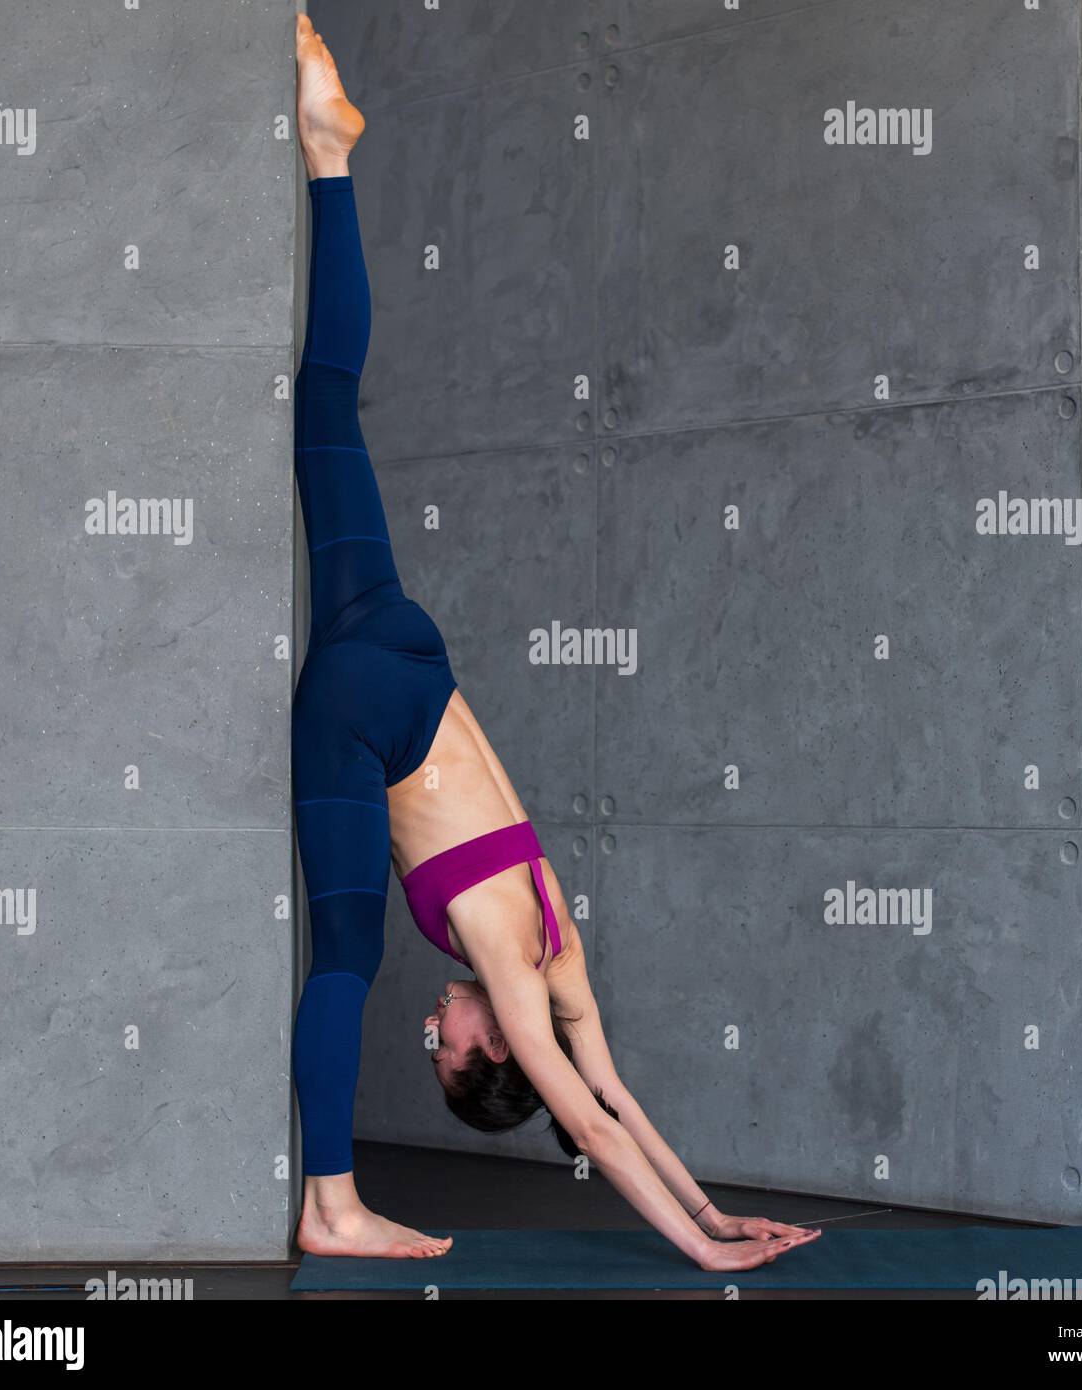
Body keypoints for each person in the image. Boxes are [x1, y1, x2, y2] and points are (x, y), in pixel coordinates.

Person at [290, 15, 821, 1272]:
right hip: (372, 703)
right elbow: (586, 1115)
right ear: (489, 1058)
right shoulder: (519, 983)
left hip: (414, 650)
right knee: (348, 956)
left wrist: (713, 1203)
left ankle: (330, 151)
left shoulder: (566, 957)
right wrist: (704, 1252)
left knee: (328, 402)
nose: (436, 1028)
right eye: (446, 1047)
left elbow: (622, 1101)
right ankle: (328, 1201)